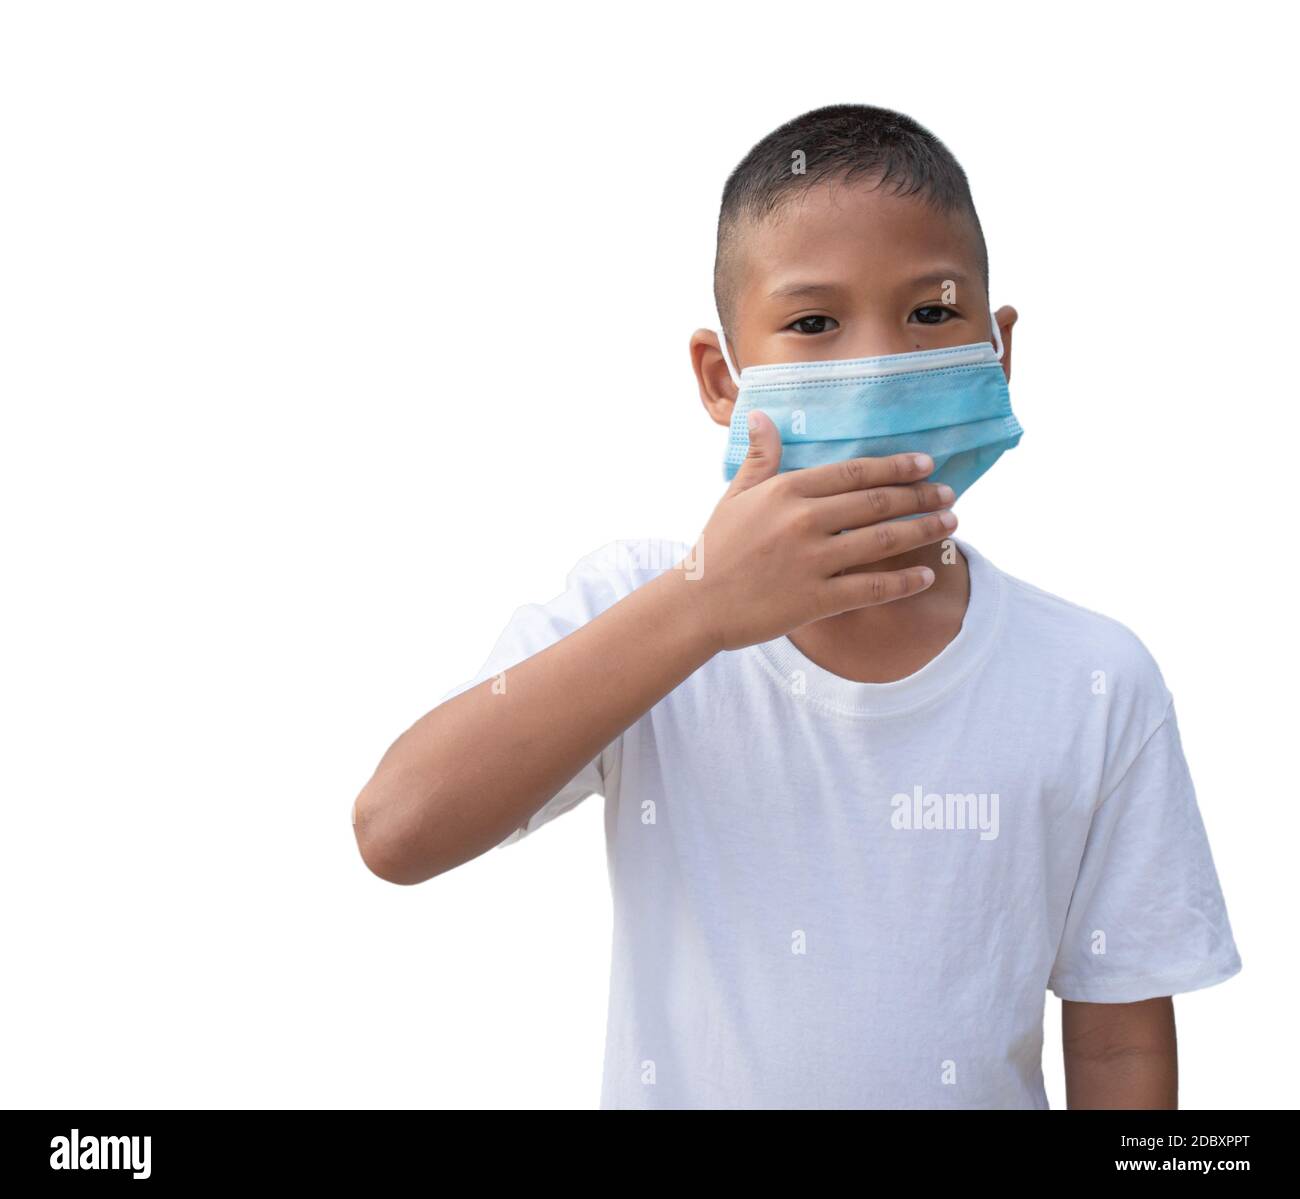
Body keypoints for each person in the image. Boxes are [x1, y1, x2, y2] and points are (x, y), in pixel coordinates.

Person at [351, 104, 1240, 1109]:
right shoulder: (637, 607)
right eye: (813, 322)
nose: (877, 363)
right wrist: (701, 612)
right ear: (721, 378)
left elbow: (1120, 1045)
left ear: (997, 346)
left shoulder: (1092, 677)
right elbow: (399, 827)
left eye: (930, 312)